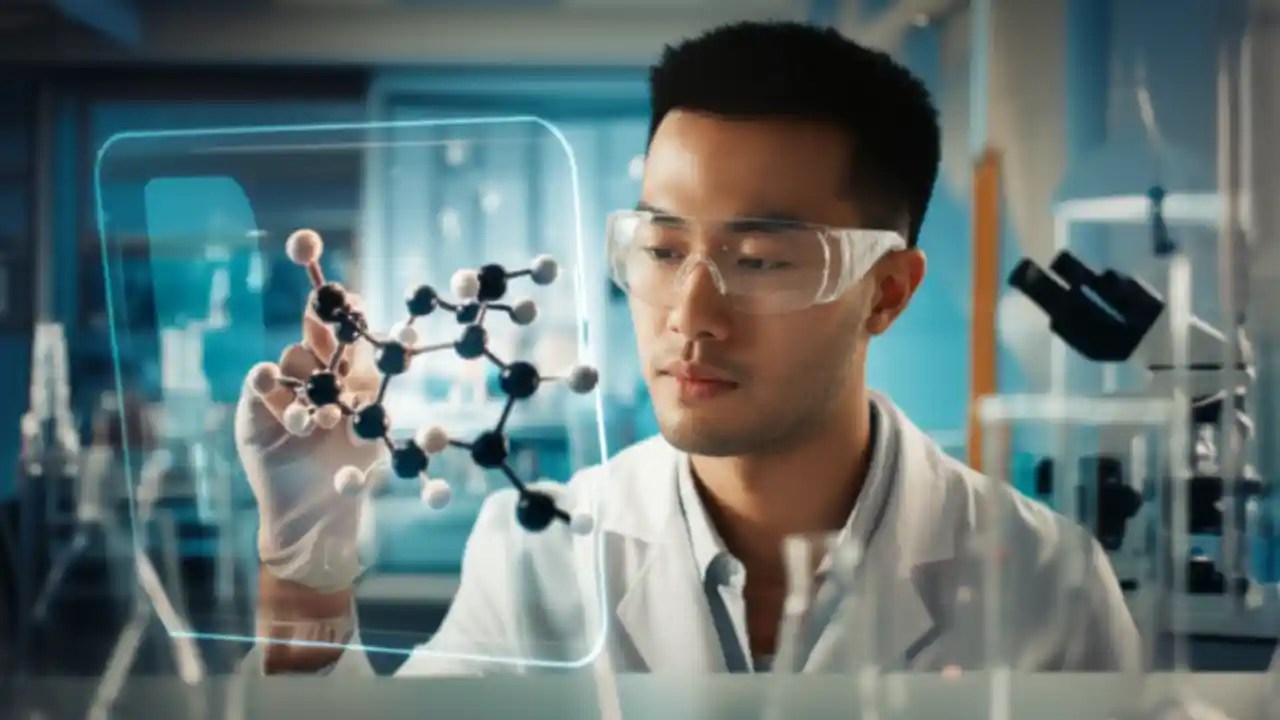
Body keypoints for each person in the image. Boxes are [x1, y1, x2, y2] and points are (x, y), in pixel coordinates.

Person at [237, 20, 1141, 676]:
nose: (690, 314)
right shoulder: (542, 552)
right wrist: (306, 574)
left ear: (886, 293)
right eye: (663, 251)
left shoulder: (1045, 581)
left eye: (759, 259)